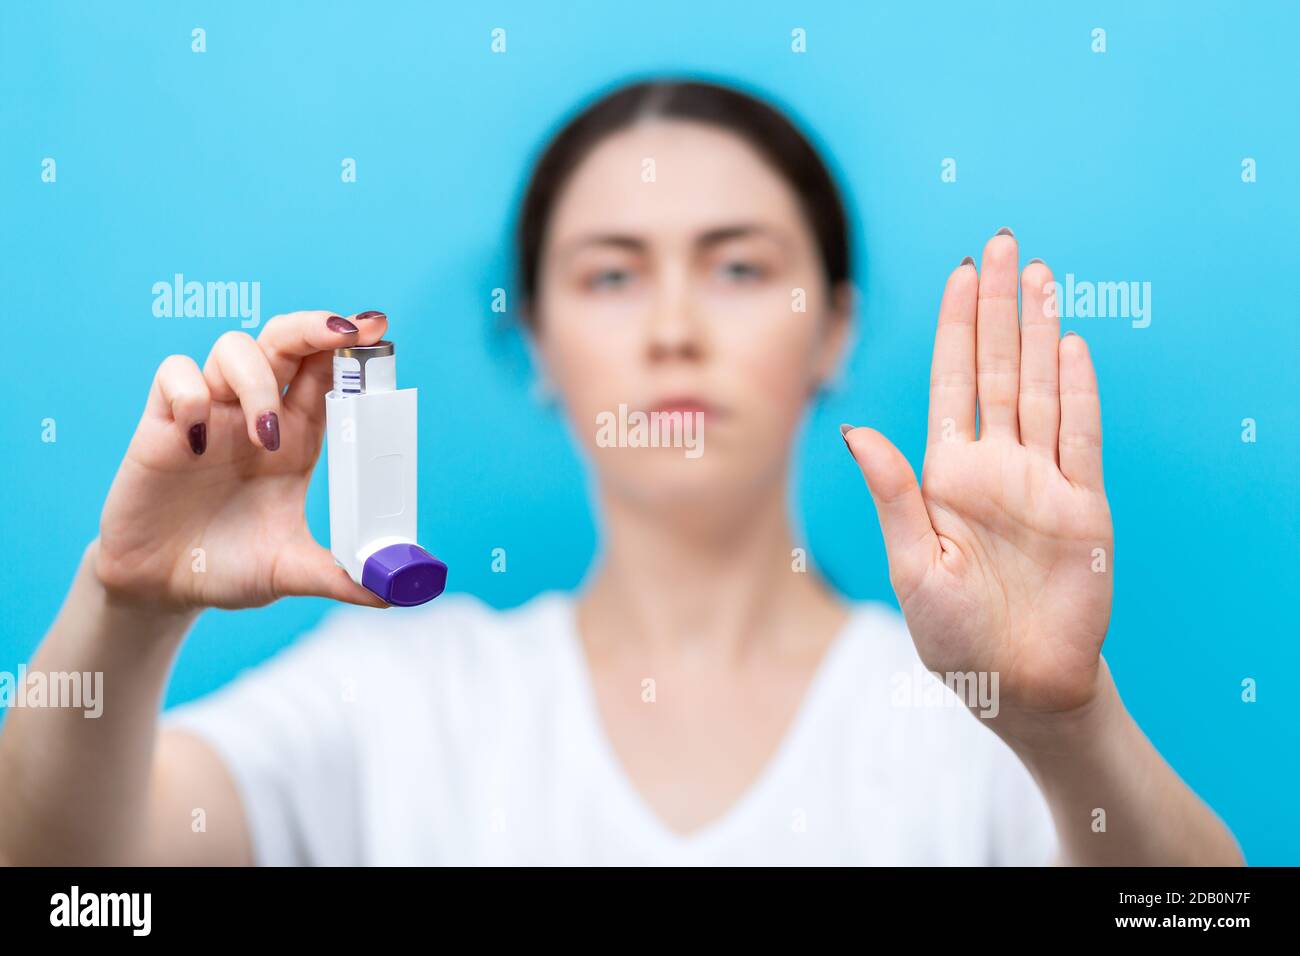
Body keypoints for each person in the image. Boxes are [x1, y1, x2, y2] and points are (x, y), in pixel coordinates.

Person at [0, 79, 1243, 866]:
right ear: (536, 341)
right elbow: (63, 883)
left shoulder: (974, 722)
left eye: (740, 266)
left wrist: (1067, 728)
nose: (671, 326)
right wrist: (125, 604)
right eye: (608, 273)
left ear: (835, 328)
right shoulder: (393, 703)